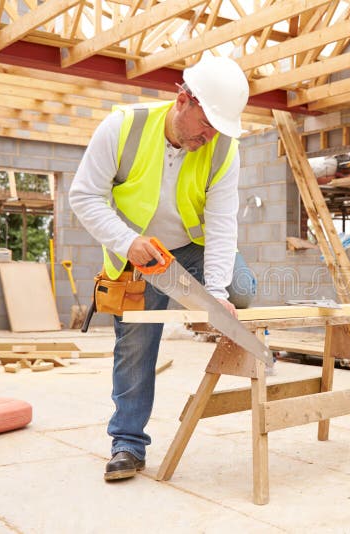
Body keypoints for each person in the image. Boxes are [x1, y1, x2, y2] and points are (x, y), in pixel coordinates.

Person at [69, 55, 256, 481]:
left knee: (241, 289)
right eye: (207, 124)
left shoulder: (224, 149)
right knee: (136, 341)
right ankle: (128, 445)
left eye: (221, 129)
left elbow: (224, 222)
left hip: (190, 248)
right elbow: (84, 196)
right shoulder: (122, 128)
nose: (211, 137)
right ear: (184, 100)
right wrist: (125, 242)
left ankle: (221, 293)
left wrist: (218, 297)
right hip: (136, 252)